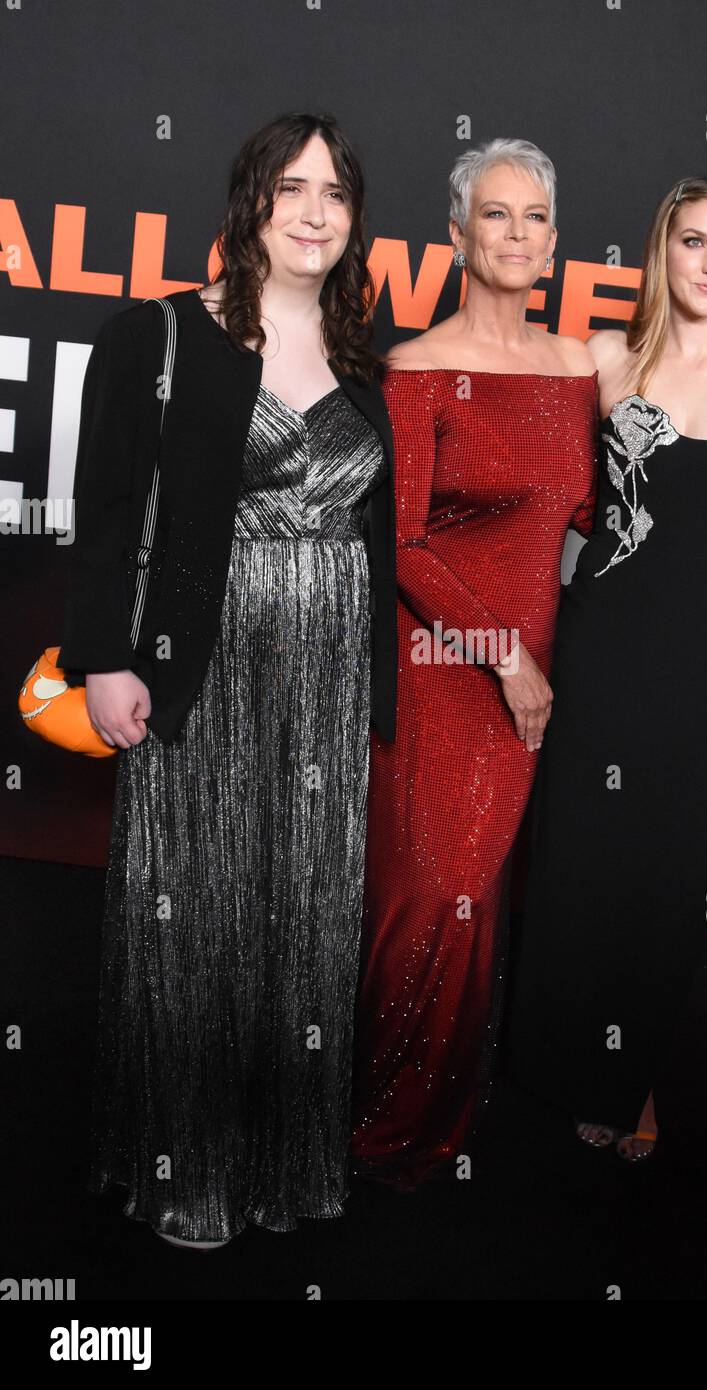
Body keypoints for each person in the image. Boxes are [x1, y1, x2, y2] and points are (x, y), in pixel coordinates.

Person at [57, 112, 397, 1247]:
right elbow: (102, 518)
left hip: (330, 677)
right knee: (192, 911)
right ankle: (184, 1167)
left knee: (304, 913)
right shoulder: (154, 335)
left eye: (335, 193)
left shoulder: (366, 353)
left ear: (356, 218)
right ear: (250, 201)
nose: (313, 211)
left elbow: (386, 532)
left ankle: (282, 1166)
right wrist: (103, 659)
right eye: (291, 187)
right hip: (198, 668)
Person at [506, 175, 707, 1162]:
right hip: (604, 641)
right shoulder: (601, 358)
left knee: (672, 872)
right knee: (582, 859)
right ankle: (554, 1065)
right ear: (662, 250)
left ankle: (627, 1074)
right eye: (694, 242)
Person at [350, 138, 598, 1188]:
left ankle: (444, 1118)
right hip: (441, 669)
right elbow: (400, 544)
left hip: (531, 674)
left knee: (480, 898)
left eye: (534, 217)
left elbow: (586, 517)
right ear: (456, 234)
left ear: (554, 240)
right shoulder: (413, 366)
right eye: (494, 215)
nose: (516, 235)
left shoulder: (580, 366)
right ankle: (374, 1123)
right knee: (426, 892)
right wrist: (503, 656)